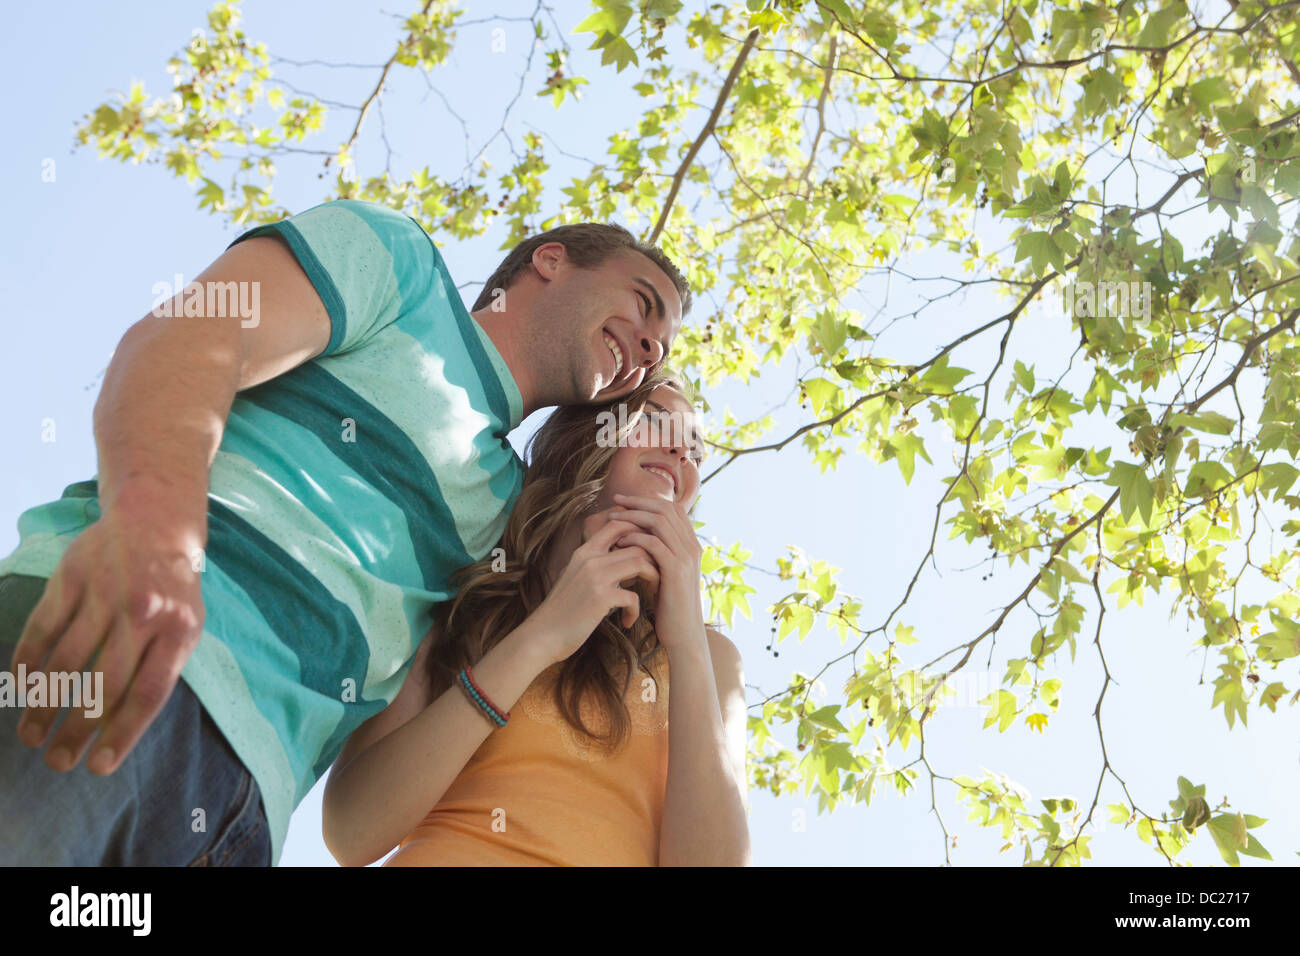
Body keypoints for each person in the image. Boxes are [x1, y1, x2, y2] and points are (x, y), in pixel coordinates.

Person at [0, 199, 690, 866]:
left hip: (246, 811)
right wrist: (156, 533)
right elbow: (197, 336)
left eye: (661, 344)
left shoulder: (508, 509)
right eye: (642, 301)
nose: (652, 341)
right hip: (118, 645)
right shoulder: (401, 267)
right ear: (550, 261)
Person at [321, 369, 750, 866]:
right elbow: (352, 834)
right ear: (588, 436)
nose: (683, 454)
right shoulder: (462, 600)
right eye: (656, 423)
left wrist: (688, 644)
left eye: (696, 452)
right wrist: (540, 638)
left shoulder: (709, 658)